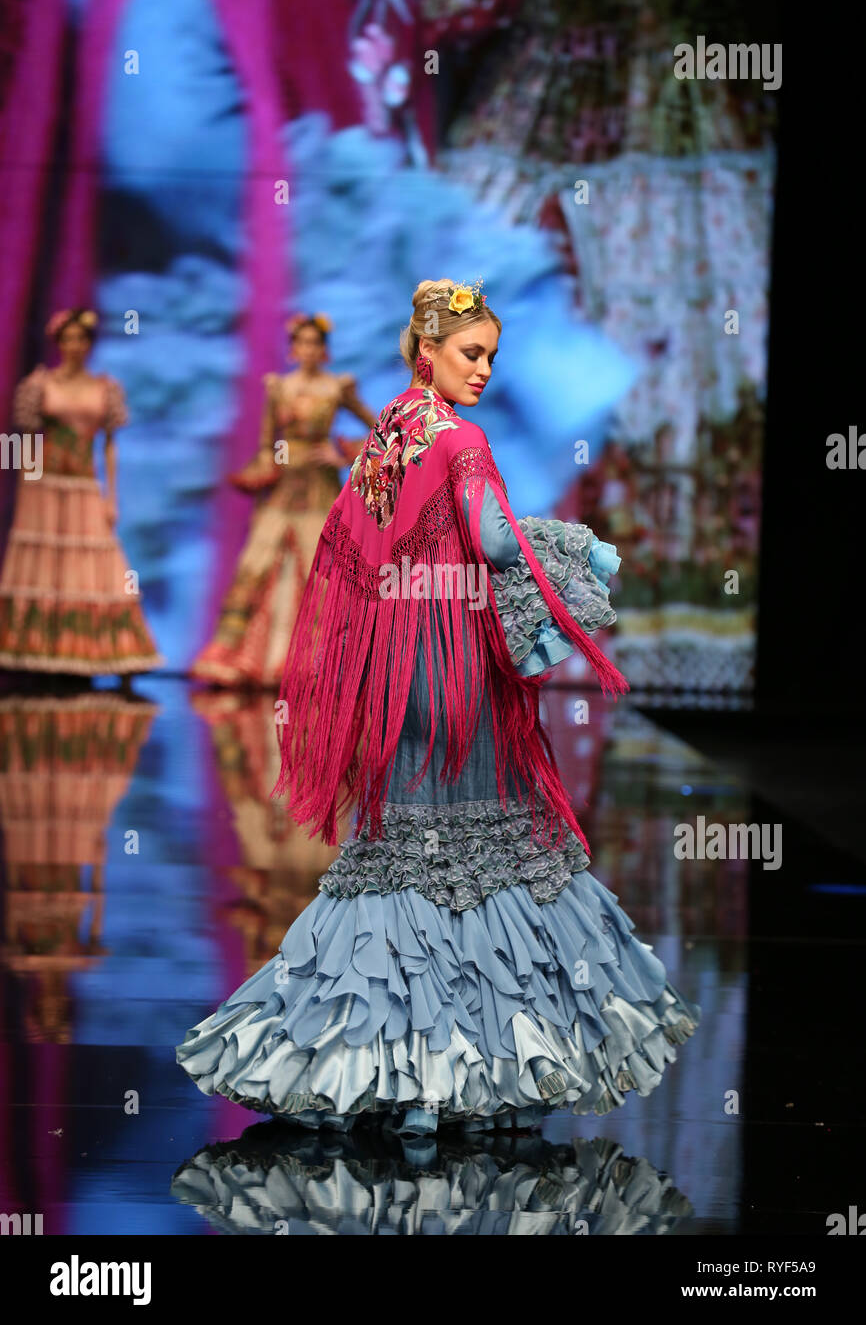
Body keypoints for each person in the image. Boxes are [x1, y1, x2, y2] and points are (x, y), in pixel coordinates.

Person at [176, 277, 700, 1136]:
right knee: (486, 850)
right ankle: (473, 1066)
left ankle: (366, 1059)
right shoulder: (458, 438)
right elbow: (492, 540)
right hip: (456, 663)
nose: (485, 370)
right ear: (428, 351)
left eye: (492, 355)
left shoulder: (387, 432)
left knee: (400, 854)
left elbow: (353, 546)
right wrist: (563, 546)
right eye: (471, 353)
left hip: (397, 665)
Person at [190, 313, 377, 686]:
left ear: (324, 350)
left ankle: (320, 664)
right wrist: (271, 467)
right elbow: (266, 444)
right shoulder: (279, 387)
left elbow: (380, 429)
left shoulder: (337, 388)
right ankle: (251, 661)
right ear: (294, 348)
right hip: (284, 489)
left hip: (320, 489)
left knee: (319, 569)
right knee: (258, 564)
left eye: (315, 344)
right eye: (302, 343)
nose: (308, 350)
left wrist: (342, 455)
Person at [0, 308, 163, 679]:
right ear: (58, 344)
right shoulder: (39, 384)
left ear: (89, 344)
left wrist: (112, 496)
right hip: (44, 484)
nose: (74, 346)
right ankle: (34, 646)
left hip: (84, 484)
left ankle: (93, 649)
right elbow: (21, 438)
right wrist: (25, 481)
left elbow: (109, 445)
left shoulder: (105, 388)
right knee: (43, 562)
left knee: (92, 562)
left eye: (81, 340)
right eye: (68, 339)